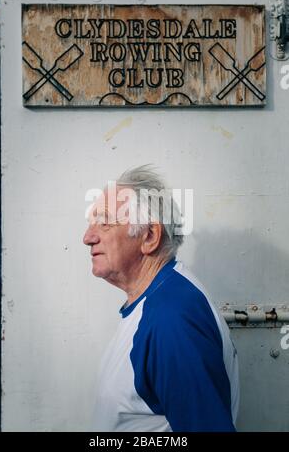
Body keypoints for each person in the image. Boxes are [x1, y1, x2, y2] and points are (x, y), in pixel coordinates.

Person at [83, 165, 239, 432]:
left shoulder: (171, 319)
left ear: (150, 236)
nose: (88, 237)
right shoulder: (157, 301)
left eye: (105, 222)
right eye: (91, 223)